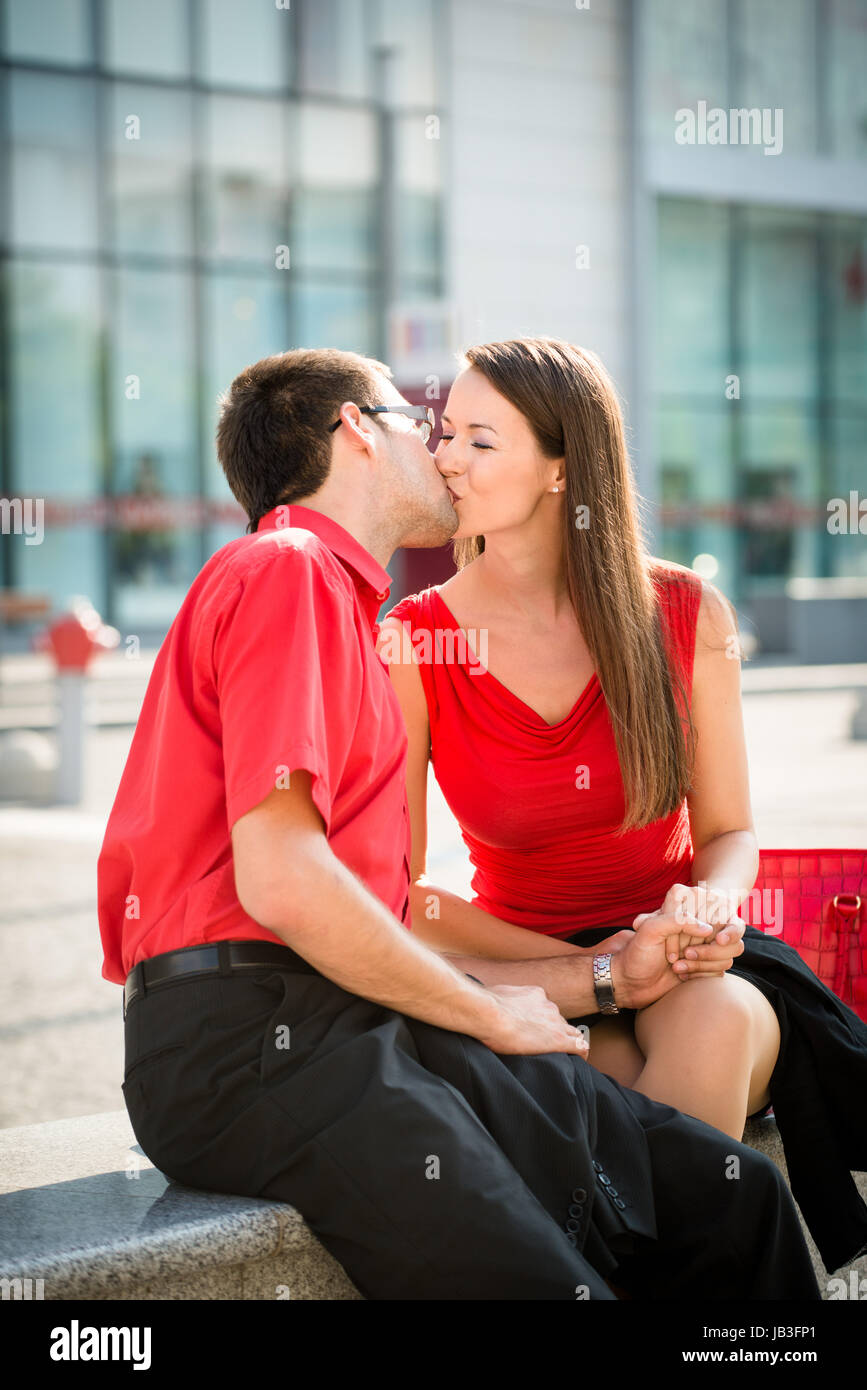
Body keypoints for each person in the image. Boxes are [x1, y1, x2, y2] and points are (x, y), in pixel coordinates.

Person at [97, 347, 821, 1301]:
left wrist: (599, 976)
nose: (439, 451)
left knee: (733, 1204)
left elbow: (383, 910)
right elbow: (284, 880)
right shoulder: (292, 568)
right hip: (252, 1038)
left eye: (472, 436)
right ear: (356, 428)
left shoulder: (343, 606)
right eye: (420, 421)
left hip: (349, 1019)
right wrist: (496, 1011)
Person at [379, 335, 867, 1278]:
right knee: (629, 1101)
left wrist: (702, 907)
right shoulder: (413, 642)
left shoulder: (688, 614)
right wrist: (596, 968)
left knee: (714, 1018)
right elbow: (398, 896)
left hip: (689, 954)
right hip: (531, 978)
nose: (444, 458)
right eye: (445, 433)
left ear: (562, 468)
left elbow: (727, 833)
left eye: (480, 440)